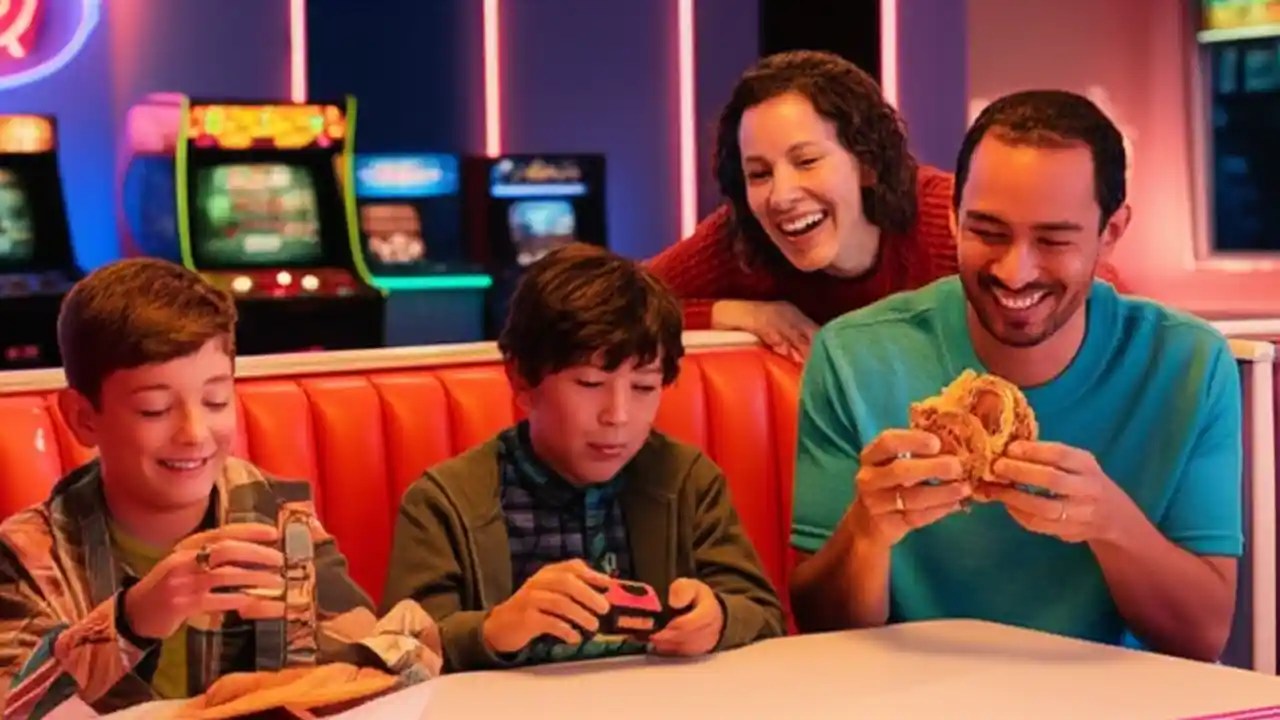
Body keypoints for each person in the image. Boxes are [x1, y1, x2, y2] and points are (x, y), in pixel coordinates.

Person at [788, 90, 1240, 663]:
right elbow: (820, 631)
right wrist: (869, 530)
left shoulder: (1188, 364)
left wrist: (1110, 522)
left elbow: (1202, 637)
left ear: (1111, 231)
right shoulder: (853, 356)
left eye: (1053, 240)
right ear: (953, 217)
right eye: (987, 232)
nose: (1014, 269)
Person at [0, 259, 441, 717]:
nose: (194, 432)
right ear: (83, 417)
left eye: (216, 401)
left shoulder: (274, 519)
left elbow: (378, 666)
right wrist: (130, 621)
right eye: (153, 409)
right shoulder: (29, 555)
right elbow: (14, 701)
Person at [382, 243, 784, 672]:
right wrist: (493, 629)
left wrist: (718, 619)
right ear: (521, 380)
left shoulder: (686, 480)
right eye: (590, 383)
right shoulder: (445, 502)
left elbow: (761, 613)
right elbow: (402, 653)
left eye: (644, 387)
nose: (618, 415)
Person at [646, 50, 1125, 362]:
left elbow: (1104, 293)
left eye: (807, 161)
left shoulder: (949, 219)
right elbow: (615, 299)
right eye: (759, 174)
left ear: (868, 163)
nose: (781, 195)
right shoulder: (742, 238)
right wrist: (739, 313)